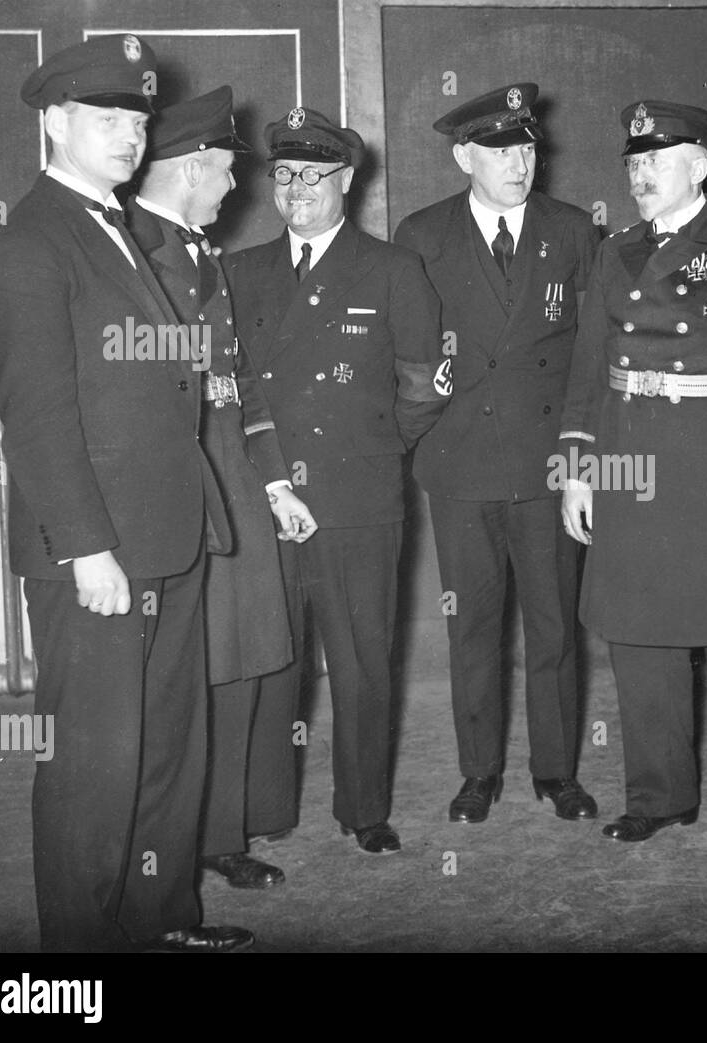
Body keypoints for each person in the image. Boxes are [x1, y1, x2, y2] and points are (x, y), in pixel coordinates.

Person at [0, 35, 252, 951]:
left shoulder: (122, 233)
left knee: (167, 747)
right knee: (93, 767)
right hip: (96, 553)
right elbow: (40, 416)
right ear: (53, 123)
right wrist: (87, 547)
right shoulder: (29, 244)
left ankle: (161, 919)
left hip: (166, 534)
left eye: (137, 120)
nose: (129, 136)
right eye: (106, 119)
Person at [560, 100, 707, 853]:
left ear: (698, 164)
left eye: (654, 161)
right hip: (632, 464)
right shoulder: (614, 251)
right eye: (632, 163)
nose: (639, 176)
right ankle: (659, 796)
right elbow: (586, 371)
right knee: (640, 637)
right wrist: (576, 469)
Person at [226, 107, 449, 855]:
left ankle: (364, 809)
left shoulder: (390, 269)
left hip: (359, 499)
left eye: (313, 176)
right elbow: (228, 387)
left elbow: (424, 383)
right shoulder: (240, 272)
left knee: (360, 663)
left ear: (346, 181)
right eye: (283, 174)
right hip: (265, 497)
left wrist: (376, 447)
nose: (295, 190)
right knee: (270, 661)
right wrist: (269, 477)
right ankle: (265, 809)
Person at [125, 86, 318, 890]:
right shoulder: (133, 248)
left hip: (234, 478)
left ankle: (223, 831)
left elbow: (242, 382)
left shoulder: (200, 250)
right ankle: (178, 844)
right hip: (179, 483)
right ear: (192, 167)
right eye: (227, 172)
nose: (238, 188)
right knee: (189, 675)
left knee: (245, 660)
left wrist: (274, 482)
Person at [393, 83, 601, 824]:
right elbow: (409, 350)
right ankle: (478, 771)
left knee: (553, 627)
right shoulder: (421, 235)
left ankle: (558, 772)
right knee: (471, 626)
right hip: (461, 464)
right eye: (501, 149)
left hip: (547, 465)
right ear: (463, 157)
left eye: (527, 146)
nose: (519, 161)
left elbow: (590, 355)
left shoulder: (574, 231)